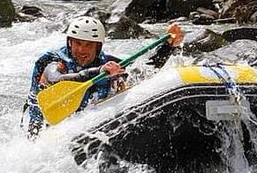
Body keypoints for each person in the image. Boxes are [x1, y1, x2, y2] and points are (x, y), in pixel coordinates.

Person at [24, 16, 185, 136]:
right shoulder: (55, 61)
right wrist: (97, 71)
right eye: (78, 43)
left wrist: (168, 47)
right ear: (70, 42)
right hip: (42, 128)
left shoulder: (108, 63)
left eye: (88, 45)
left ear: (98, 47)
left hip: (83, 128)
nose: (82, 50)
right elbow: (55, 79)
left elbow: (143, 71)